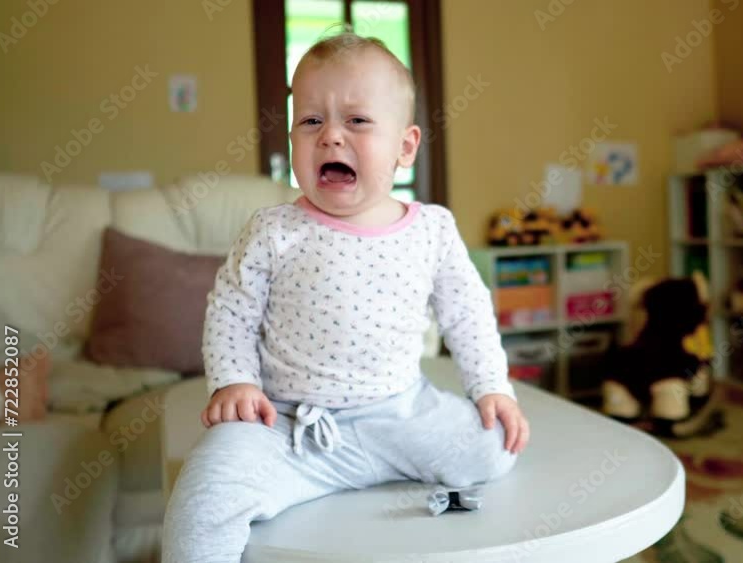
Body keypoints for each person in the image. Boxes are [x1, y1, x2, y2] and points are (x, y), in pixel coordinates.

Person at [162, 32, 529, 562]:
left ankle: (377, 462)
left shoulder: (432, 230)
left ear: (405, 147)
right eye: (310, 121)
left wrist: (492, 386)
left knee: (493, 448)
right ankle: (308, 476)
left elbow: (467, 313)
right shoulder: (273, 229)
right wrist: (236, 381)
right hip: (287, 423)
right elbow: (231, 311)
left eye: (356, 121)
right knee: (204, 495)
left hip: (401, 415)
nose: (331, 136)